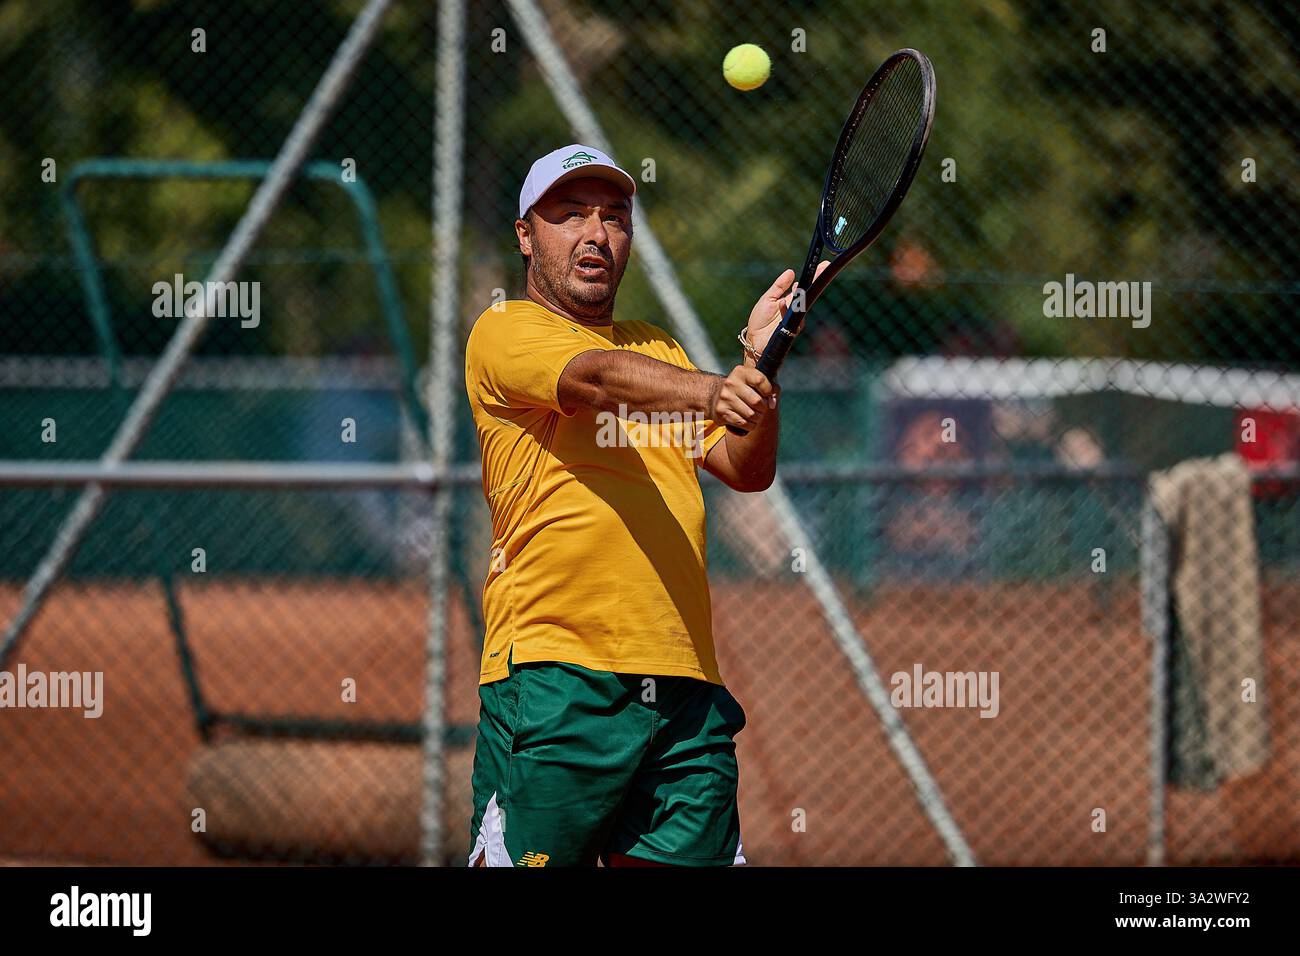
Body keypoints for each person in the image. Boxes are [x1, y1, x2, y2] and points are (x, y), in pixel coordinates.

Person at [464, 144, 818, 867]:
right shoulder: (504, 331)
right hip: (557, 680)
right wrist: (714, 388)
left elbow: (744, 469)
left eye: (615, 216)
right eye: (568, 215)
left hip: (685, 690)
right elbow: (593, 378)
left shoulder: (658, 348)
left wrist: (759, 364)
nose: (596, 233)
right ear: (525, 235)